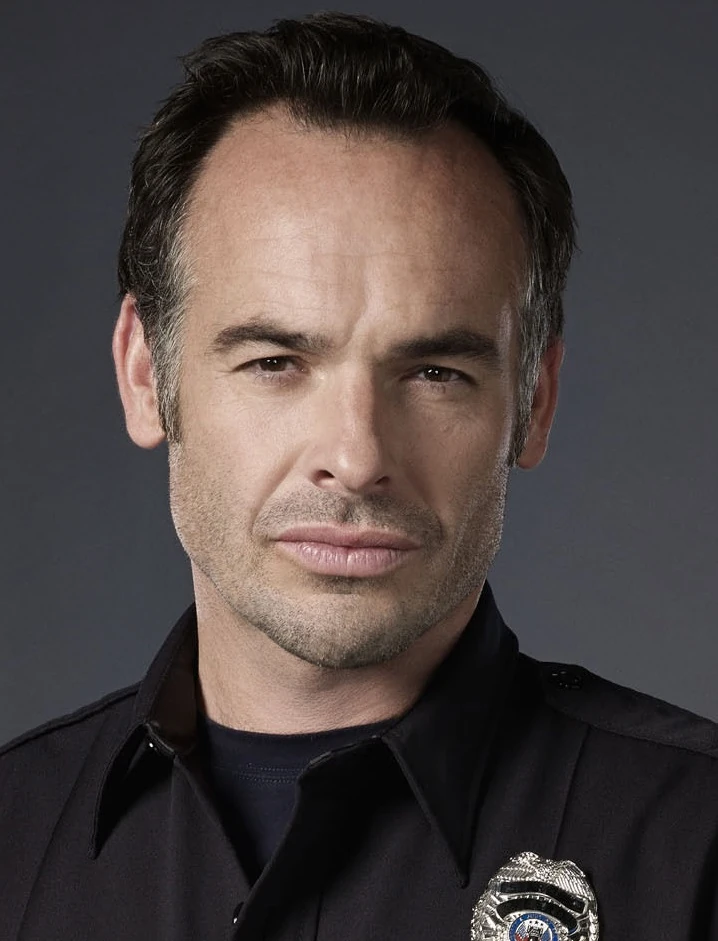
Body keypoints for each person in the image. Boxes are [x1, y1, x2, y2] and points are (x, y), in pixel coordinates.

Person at [1, 11, 717, 940]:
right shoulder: (14, 837)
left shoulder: (697, 844)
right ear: (146, 374)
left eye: (435, 372)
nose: (357, 455)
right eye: (275, 362)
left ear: (534, 402)